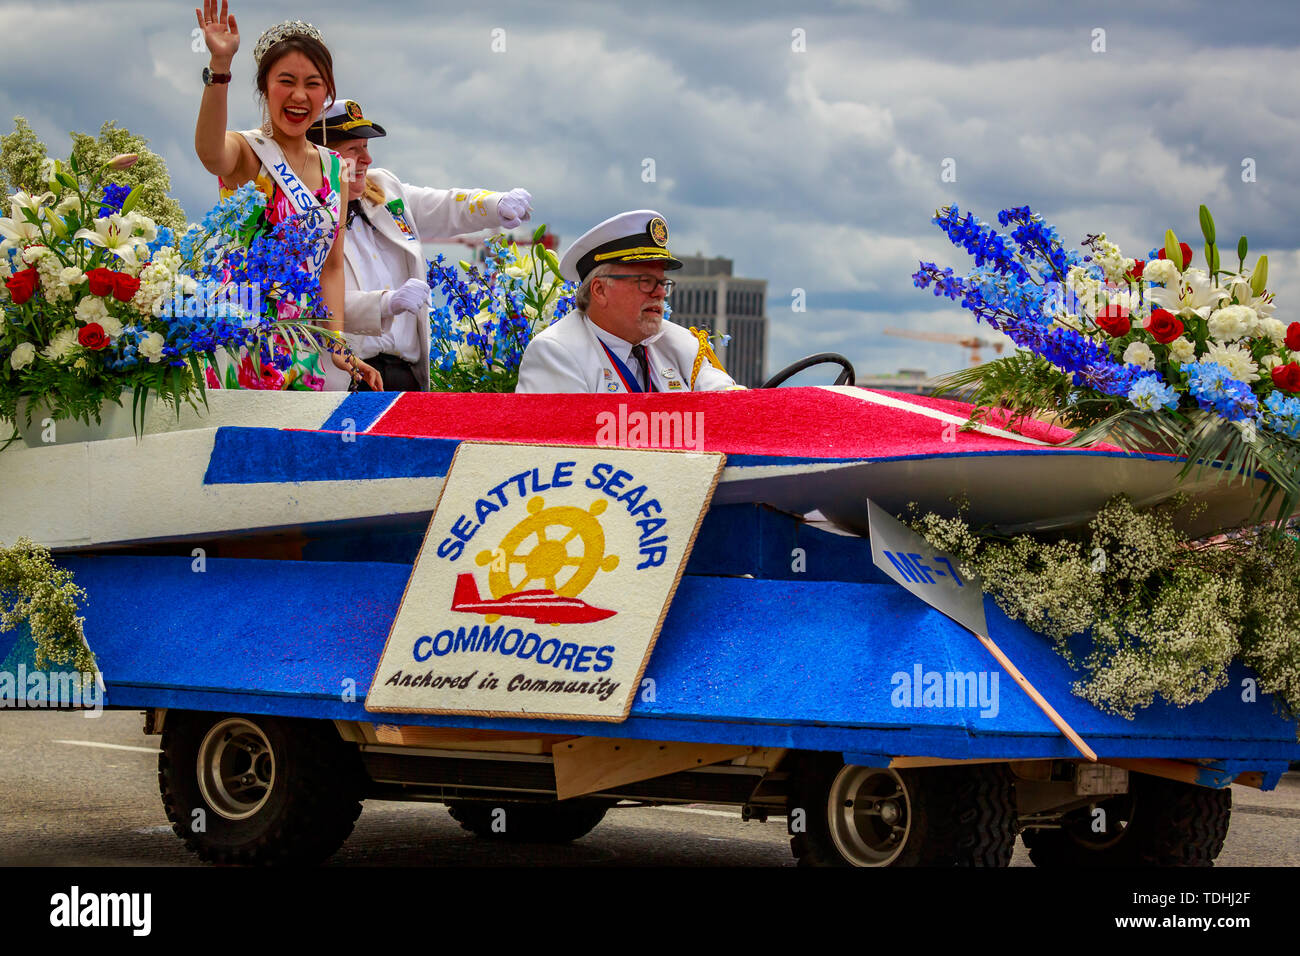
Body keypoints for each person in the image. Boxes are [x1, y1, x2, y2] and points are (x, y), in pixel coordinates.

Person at [193, 2, 382, 390]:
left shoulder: (336, 169)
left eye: (312, 83)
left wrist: (338, 344)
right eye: (286, 81)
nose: (299, 95)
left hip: (300, 351)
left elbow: (330, 266)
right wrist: (221, 67)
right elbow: (211, 153)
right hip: (238, 345)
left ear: (327, 93)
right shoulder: (248, 152)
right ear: (264, 86)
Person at [305, 99, 534, 391]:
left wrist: (494, 204)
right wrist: (385, 303)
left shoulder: (385, 190)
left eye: (366, 147)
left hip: (406, 377)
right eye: (354, 149)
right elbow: (317, 310)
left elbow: (443, 205)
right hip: (349, 379)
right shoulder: (304, 218)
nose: (367, 159)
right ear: (325, 156)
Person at [515, 210, 741, 393]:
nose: (660, 293)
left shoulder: (681, 343)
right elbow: (563, 447)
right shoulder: (556, 352)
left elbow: (731, 406)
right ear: (600, 290)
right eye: (645, 281)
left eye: (663, 283)